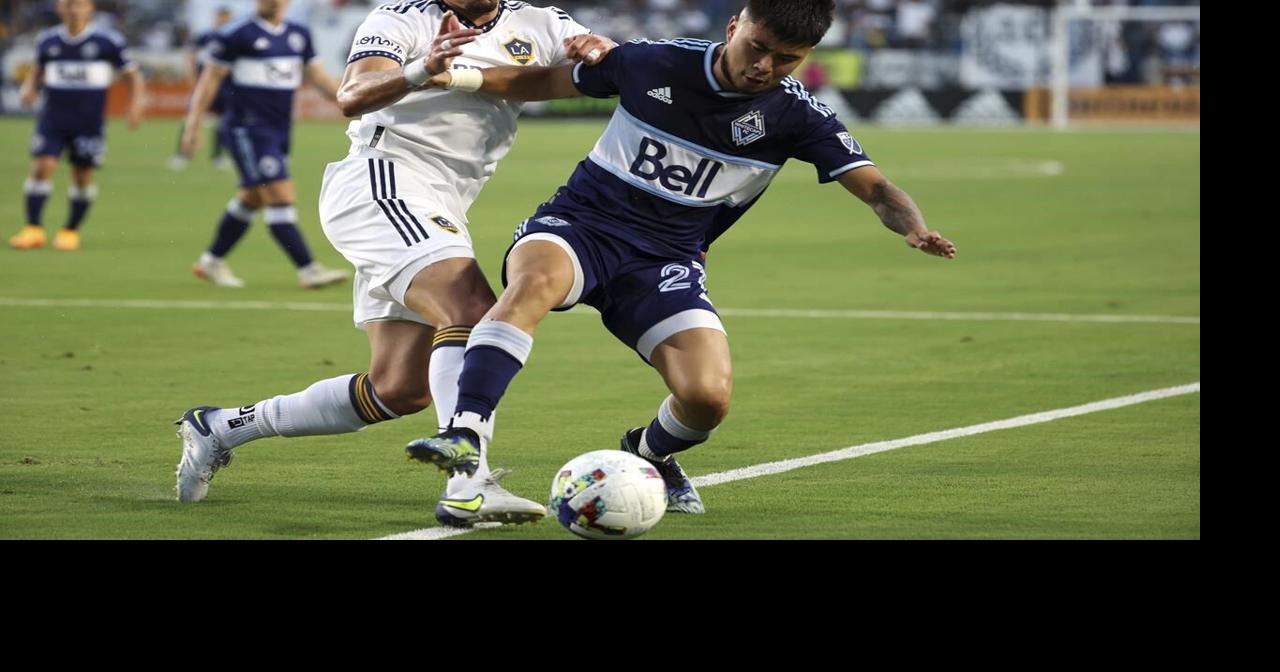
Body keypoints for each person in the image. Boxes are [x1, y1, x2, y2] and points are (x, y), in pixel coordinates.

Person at [408, 0, 957, 516]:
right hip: (579, 226)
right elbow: (545, 81)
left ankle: (648, 454)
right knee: (531, 286)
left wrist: (914, 227)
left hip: (666, 261)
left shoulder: (797, 117)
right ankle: (465, 434)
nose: (764, 67)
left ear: (807, 56)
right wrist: (460, 77)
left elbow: (878, 188)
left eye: (786, 59)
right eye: (757, 47)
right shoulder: (653, 62)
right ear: (734, 26)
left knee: (707, 397)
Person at [173, 0, 616, 528]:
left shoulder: (544, 22)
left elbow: (604, 69)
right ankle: (470, 484)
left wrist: (599, 57)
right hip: (383, 181)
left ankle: (221, 427)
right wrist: (421, 69)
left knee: (399, 388)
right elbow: (351, 95)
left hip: (442, 199)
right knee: (470, 307)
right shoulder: (401, 17)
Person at [181, 0, 348, 289]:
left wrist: (351, 102)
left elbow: (318, 76)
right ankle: (308, 269)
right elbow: (209, 80)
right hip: (247, 128)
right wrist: (192, 124)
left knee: (253, 197)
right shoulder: (235, 33)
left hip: (280, 129)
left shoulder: (298, 33)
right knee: (279, 191)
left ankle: (211, 261)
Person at [9, 0, 145, 252]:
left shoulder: (108, 41)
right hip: (53, 118)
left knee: (82, 176)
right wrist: (29, 88)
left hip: (88, 122)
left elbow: (132, 75)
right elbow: (38, 69)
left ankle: (70, 230)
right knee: (42, 166)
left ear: (90, 9)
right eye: (69, 5)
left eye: (79, 5)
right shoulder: (47, 40)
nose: (74, 10)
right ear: (60, 9)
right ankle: (33, 228)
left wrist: (135, 105)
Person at [169, 6, 235, 172]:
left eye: (227, 18)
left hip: (224, 86)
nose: (224, 21)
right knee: (192, 115)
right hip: (204, 83)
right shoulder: (207, 36)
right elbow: (190, 53)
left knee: (222, 120)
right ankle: (182, 154)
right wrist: (192, 76)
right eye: (222, 17)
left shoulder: (233, 38)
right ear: (216, 18)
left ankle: (217, 157)